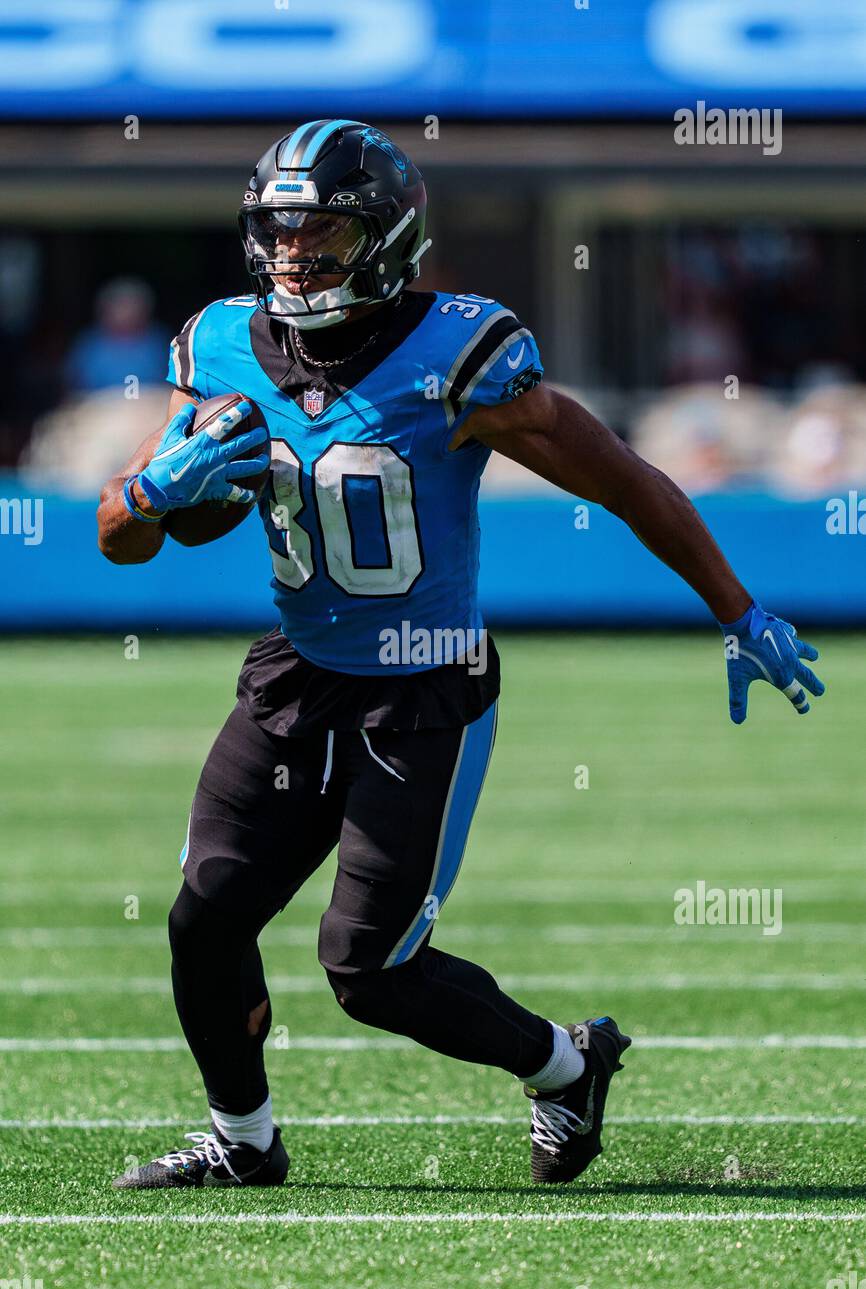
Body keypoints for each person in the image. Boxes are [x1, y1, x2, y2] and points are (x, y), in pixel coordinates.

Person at [96, 120, 824, 1190]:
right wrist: (161, 492)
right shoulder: (218, 343)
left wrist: (736, 607)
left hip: (424, 685)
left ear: (386, 239)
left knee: (366, 969)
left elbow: (616, 475)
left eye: (323, 234)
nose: (294, 257)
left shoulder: (457, 350)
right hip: (296, 675)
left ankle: (566, 1064)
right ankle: (242, 1141)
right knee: (204, 915)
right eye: (279, 234)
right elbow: (128, 534)